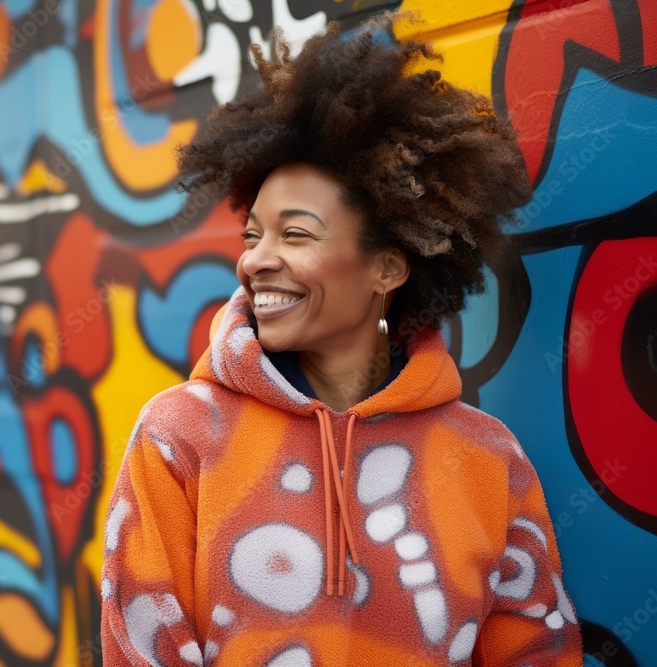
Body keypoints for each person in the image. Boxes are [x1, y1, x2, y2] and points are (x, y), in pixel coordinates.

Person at [100, 13, 583, 666]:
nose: (255, 260)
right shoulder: (179, 436)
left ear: (387, 268)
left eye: (295, 235)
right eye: (252, 235)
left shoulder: (489, 459)